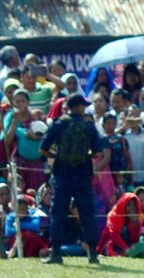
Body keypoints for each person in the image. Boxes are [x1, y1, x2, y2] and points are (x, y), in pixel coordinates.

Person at [38, 93, 100, 264]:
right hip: (83, 174)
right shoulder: (88, 127)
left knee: (58, 213)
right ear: (79, 107)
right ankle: (93, 254)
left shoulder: (58, 125)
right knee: (87, 212)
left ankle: (56, 253)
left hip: (62, 174)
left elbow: (42, 150)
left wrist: (56, 156)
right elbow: (96, 153)